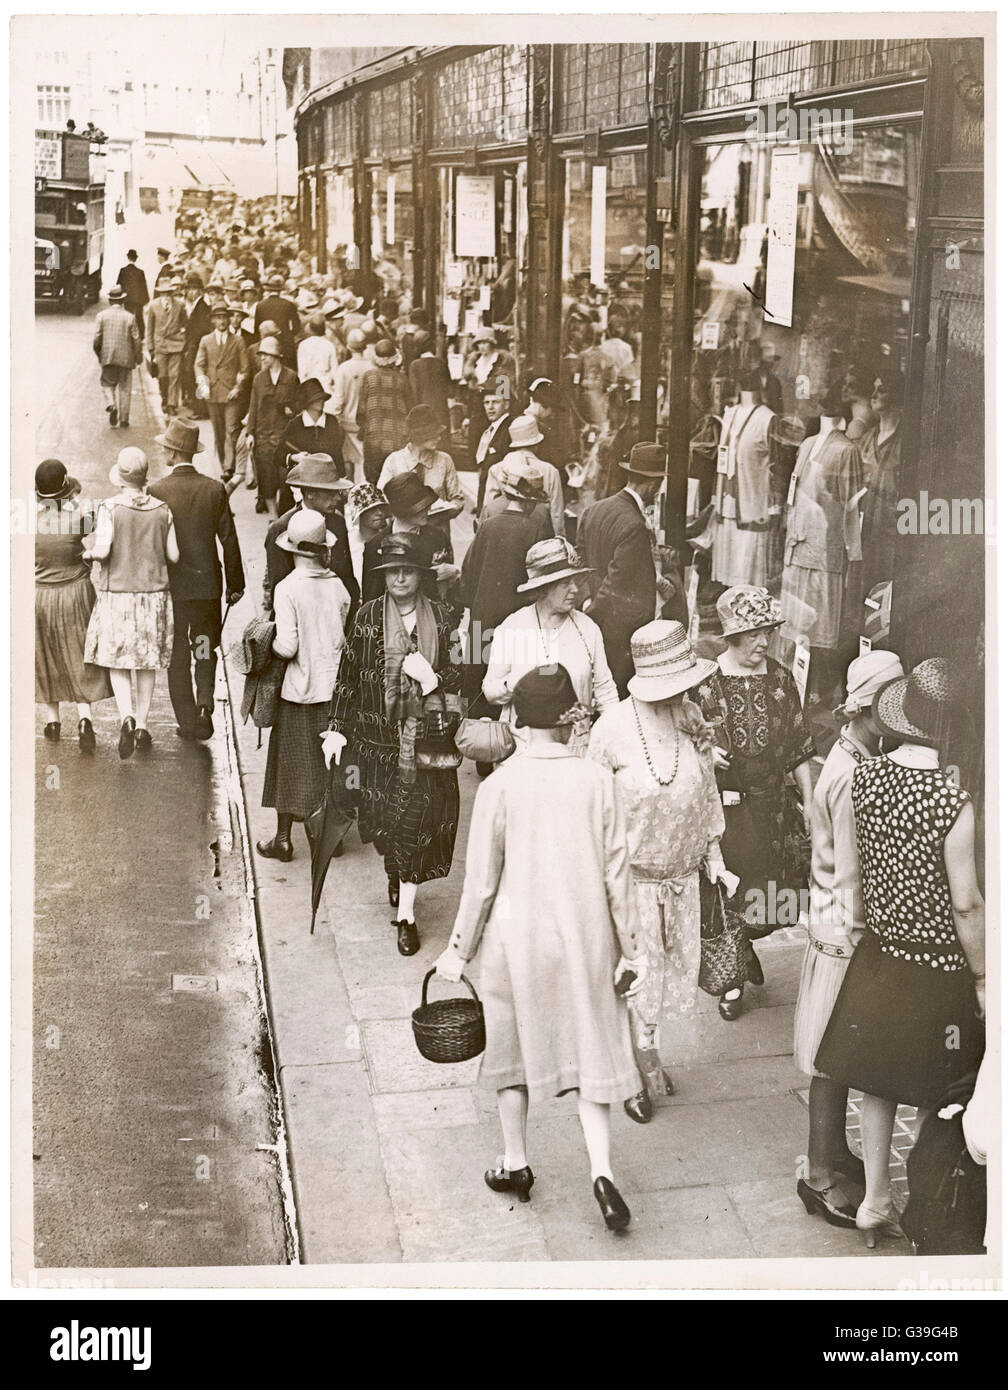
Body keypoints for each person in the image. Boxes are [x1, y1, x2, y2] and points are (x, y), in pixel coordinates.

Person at [433, 664, 645, 1232]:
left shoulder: (499, 785)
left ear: (517, 721)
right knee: (592, 1050)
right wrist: (632, 948)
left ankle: (516, 1162)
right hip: (585, 936)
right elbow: (617, 874)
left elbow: (480, 880)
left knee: (510, 1050)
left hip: (515, 939)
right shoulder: (598, 782)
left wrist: (458, 950)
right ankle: (602, 1174)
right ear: (571, 721)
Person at [815, 659, 985, 1248]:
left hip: (881, 955)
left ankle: (874, 1199)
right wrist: (984, 976)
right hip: (939, 966)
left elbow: (857, 867)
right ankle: (928, 1207)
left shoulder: (868, 778)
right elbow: (965, 904)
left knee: (878, 1081)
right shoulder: (951, 798)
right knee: (946, 1091)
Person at [589, 621, 728, 1123]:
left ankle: (648, 1054)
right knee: (636, 980)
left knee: (667, 977)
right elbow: (593, 812)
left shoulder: (691, 718)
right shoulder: (611, 731)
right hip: (631, 884)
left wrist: (716, 859)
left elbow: (706, 790)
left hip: (682, 880)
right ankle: (634, 1073)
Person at [793, 650, 904, 1229]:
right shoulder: (850, 773)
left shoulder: (849, 754)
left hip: (833, 923)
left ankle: (832, 1154)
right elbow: (851, 873)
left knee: (833, 1052)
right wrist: (866, 939)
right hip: (844, 931)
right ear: (868, 708)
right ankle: (817, 1174)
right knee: (833, 1059)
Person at [326, 534, 463, 956]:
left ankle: (406, 916)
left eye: (406, 571)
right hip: (375, 743)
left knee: (414, 828)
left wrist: (432, 679)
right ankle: (396, 872)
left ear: (421, 576)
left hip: (425, 743)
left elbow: (464, 678)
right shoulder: (367, 617)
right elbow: (348, 674)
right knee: (384, 826)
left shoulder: (442, 619)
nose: (398, 578)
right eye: (391, 571)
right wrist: (336, 727)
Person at [695, 585, 816, 1021]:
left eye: (767, 631)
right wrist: (705, 753)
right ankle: (731, 981)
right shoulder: (706, 682)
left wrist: (812, 807)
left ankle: (744, 947)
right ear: (732, 636)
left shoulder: (781, 678)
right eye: (753, 633)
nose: (763, 641)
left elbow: (801, 744)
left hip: (772, 809)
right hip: (725, 812)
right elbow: (687, 740)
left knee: (771, 900)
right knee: (727, 893)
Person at [256, 510, 352, 863]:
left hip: (298, 688)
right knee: (329, 763)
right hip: (334, 688)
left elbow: (288, 646)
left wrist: (264, 645)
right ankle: (329, 836)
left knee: (289, 764)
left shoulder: (287, 589)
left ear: (292, 551)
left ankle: (283, 839)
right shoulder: (338, 586)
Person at [148, 419, 244, 741]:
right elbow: (229, 539)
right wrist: (235, 584)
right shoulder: (214, 489)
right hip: (206, 587)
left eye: (166, 447)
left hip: (173, 589)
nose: (163, 450)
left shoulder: (157, 491)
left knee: (177, 654)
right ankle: (206, 703)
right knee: (203, 646)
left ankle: (188, 720)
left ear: (174, 452)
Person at [82, 449, 178, 759]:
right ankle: (143, 724)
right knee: (146, 662)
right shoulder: (163, 509)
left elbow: (104, 549)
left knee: (118, 661)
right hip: (153, 596)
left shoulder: (110, 507)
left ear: (121, 478)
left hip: (118, 595)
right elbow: (174, 555)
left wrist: (88, 555)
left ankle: (126, 716)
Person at [483, 537, 618, 755]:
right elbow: (490, 690)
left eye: (575, 581)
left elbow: (605, 690)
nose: (575, 589)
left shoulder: (587, 628)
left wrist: (615, 734)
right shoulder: (513, 627)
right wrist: (512, 683)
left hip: (577, 749)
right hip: (524, 750)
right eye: (565, 583)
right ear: (543, 588)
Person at [460, 462, 551, 723]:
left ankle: (482, 755)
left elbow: (467, 582)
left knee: (480, 692)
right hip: (519, 623)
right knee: (512, 687)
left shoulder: (487, 526)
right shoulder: (535, 530)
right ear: (532, 502)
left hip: (482, 622)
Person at [576, 442, 664, 697]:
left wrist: (586, 606)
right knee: (617, 695)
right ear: (653, 484)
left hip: (594, 616)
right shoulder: (635, 525)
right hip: (619, 629)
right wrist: (595, 613)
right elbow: (619, 582)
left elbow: (580, 563)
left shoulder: (594, 510)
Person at [35, 460, 111, 751]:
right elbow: (96, 514)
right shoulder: (79, 517)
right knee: (80, 652)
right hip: (76, 591)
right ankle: (84, 718)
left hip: (40, 594)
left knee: (45, 653)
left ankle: (53, 720)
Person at [262, 454, 358, 619]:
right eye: (329, 492)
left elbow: (346, 574)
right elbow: (278, 586)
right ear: (309, 493)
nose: (337, 498)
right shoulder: (281, 528)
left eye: (337, 492)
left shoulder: (337, 522)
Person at [377, 404, 465, 545]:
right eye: (434, 434)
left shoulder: (444, 460)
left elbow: (458, 500)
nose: (439, 438)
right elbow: (381, 501)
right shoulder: (394, 461)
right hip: (402, 540)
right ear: (421, 436)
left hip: (438, 538)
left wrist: (441, 512)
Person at [483, 414, 564, 539]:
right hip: (539, 534)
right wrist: (560, 539)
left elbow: (489, 506)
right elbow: (557, 514)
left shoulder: (496, 469)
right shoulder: (550, 471)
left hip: (504, 534)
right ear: (537, 444)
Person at [195, 301, 250, 485]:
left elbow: (245, 368)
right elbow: (199, 364)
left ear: (229, 319)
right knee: (218, 432)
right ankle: (223, 463)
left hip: (231, 393)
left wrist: (237, 387)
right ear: (213, 321)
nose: (222, 321)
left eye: (225, 318)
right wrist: (202, 383)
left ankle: (229, 467)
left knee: (231, 429)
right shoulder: (205, 340)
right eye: (218, 318)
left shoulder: (237, 340)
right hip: (212, 392)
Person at [246, 335, 299, 516]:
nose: (262, 358)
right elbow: (253, 407)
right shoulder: (259, 379)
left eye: (265, 355)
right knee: (266, 478)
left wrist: (291, 410)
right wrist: (250, 433)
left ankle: (283, 512)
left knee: (286, 480)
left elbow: (298, 405)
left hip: (284, 436)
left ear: (275, 355)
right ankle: (273, 516)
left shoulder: (291, 377)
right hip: (263, 436)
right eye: (261, 355)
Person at [358, 339, 413, 485]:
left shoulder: (368, 377)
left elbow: (361, 412)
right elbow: (411, 409)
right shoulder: (402, 379)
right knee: (396, 483)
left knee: (373, 482)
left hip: (373, 441)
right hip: (397, 440)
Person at [463, 328, 516, 457]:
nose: (482, 347)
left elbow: (504, 386)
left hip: (495, 404)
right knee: (475, 438)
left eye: (485, 343)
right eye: (479, 343)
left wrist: (483, 388)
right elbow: (471, 391)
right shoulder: (476, 362)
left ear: (492, 343)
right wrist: (467, 415)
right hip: (478, 405)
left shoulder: (501, 360)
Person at [93, 287, 141, 429]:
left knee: (107, 383)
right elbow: (136, 340)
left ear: (109, 300)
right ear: (122, 300)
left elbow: (96, 339)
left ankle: (111, 404)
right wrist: (137, 356)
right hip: (126, 358)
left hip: (108, 357)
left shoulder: (101, 316)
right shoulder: (130, 317)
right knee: (125, 388)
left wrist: (100, 354)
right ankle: (124, 419)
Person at [331, 325, 372, 477]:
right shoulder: (372, 367)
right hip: (367, 424)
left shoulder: (344, 369)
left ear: (348, 347)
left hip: (348, 423)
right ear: (365, 347)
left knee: (348, 461)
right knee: (365, 463)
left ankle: (350, 494)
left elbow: (339, 399)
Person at [473, 383, 517, 518]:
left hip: (499, 504)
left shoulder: (509, 429)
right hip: (487, 500)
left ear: (507, 404)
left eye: (496, 402)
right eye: (486, 402)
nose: (490, 407)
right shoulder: (491, 429)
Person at [147, 277, 187, 416]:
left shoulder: (180, 305)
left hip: (176, 345)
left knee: (174, 375)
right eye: (163, 293)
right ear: (160, 293)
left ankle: (172, 404)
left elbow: (184, 324)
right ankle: (164, 398)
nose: (166, 296)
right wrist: (150, 347)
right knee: (163, 376)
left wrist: (181, 336)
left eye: (168, 292)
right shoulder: (153, 306)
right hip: (160, 346)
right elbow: (149, 328)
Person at [345, 482, 391, 593]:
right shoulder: (348, 543)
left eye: (381, 508)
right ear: (360, 513)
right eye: (372, 509)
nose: (379, 513)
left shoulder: (389, 540)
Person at [181, 272, 213, 417]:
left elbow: (200, 330)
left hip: (196, 346)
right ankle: (198, 407)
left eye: (194, 289)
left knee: (196, 376)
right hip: (195, 346)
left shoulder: (202, 307)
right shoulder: (198, 305)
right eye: (189, 289)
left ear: (200, 291)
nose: (191, 292)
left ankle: (200, 409)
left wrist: (191, 346)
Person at [254, 270, 300, 369]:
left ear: (268, 290)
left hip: (266, 345)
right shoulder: (288, 304)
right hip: (286, 345)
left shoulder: (260, 305)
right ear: (280, 290)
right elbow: (297, 327)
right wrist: (287, 335)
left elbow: (256, 329)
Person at [406, 332, 452, 427]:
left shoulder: (415, 365)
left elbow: (414, 393)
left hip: (424, 413)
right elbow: (449, 390)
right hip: (442, 411)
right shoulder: (441, 364)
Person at [297, 312, 340, 401]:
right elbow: (335, 371)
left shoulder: (303, 345)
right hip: (326, 387)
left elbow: (302, 371)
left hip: (309, 387)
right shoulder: (329, 345)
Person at [115, 249, 149, 345]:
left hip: (127, 299)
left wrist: (119, 299)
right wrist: (145, 300)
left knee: (127, 317)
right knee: (139, 317)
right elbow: (144, 287)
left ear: (128, 258)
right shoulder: (140, 272)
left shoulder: (123, 271)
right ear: (136, 259)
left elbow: (118, 285)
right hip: (138, 299)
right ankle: (141, 337)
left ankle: (127, 336)